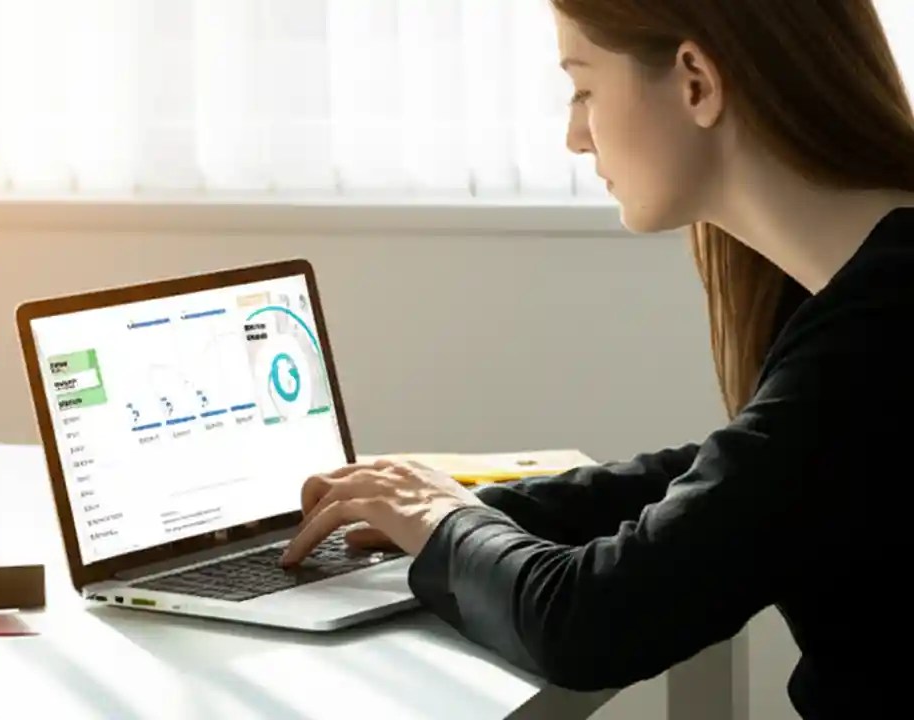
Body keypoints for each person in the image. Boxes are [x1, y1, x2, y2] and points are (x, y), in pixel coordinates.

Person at [278, 2, 914, 718]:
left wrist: (446, 523)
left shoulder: (882, 327)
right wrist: (456, 508)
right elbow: (747, 477)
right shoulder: (875, 304)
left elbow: (591, 623)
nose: (575, 137)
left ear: (697, 81)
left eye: (583, 89)